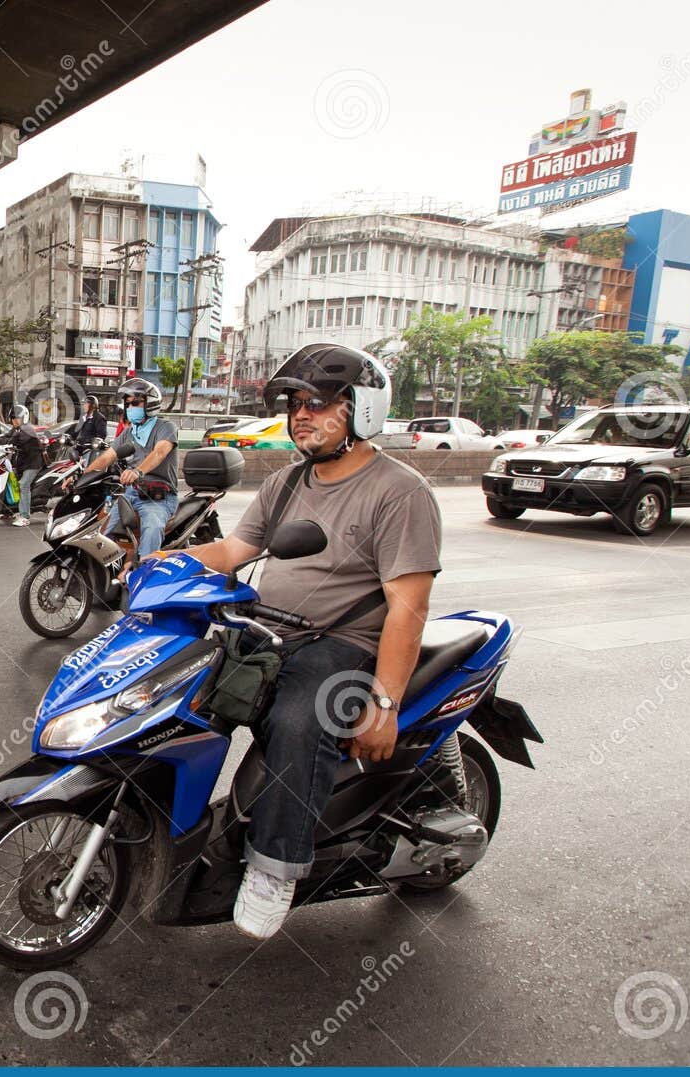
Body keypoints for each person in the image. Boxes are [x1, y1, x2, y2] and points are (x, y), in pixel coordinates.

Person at [164, 343, 441, 939]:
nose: (301, 415)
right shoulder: (288, 482)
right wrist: (164, 562)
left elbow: (409, 608)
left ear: (362, 410)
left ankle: (275, 868)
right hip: (267, 630)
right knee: (174, 695)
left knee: (296, 721)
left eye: (318, 403)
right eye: (295, 404)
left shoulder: (401, 491)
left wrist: (384, 705)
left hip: (341, 644)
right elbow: (234, 552)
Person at [76, 381, 180, 555]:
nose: (130, 407)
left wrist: (137, 471)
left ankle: (145, 573)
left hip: (159, 496)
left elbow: (159, 452)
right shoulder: (129, 433)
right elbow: (107, 457)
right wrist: (82, 478)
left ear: (151, 403)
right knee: (104, 535)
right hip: (131, 494)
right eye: (128, 404)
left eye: (135, 403)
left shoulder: (165, 427)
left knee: (152, 528)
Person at [0, 404, 45, 527]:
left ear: (24, 418)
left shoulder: (27, 430)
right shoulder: (16, 429)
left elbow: (11, 440)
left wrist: (0, 442)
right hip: (22, 463)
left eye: (17, 418)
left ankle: (25, 517)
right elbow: (7, 436)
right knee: (8, 480)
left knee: (23, 485)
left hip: (33, 464)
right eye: (13, 418)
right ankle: (8, 511)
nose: (14, 421)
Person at [75, 393, 109, 459]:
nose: (84, 406)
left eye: (86, 404)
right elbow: (77, 432)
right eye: (83, 404)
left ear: (93, 405)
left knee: (86, 468)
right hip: (80, 449)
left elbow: (101, 436)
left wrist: (89, 443)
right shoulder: (83, 417)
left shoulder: (99, 418)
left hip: (91, 451)